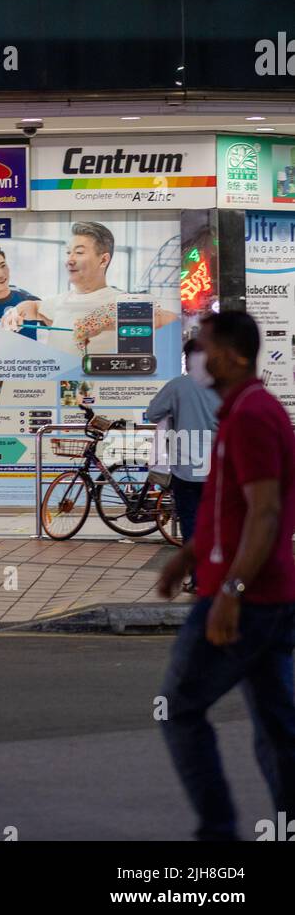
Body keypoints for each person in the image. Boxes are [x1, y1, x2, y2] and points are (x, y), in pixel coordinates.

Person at [157, 311, 295, 842]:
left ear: (232, 356)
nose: (198, 356)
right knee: (278, 725)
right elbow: (227, 509)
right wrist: (187, 558)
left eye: (205, 347)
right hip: (265, 595)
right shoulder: (238, 411)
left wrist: (231, 592)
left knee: (180, 708)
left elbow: (265, 512)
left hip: (249, 598)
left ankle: (218, 835)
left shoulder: (254, 416)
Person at [5, 221, 177, 353]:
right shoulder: (60, 301)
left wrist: (106, 318)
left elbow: (169, 319)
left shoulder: (120, 300)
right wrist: (16, 311)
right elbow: (35, 307)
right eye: (68, 252)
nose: (69, 260)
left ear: (103, 260)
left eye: (79, 253)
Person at [146, 337, 220, 591]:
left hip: (186, 470)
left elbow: (153, 413)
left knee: (191, 523)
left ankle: (199, 579)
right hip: (219, 470)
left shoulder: (178, 386)